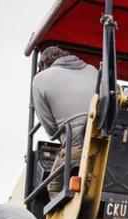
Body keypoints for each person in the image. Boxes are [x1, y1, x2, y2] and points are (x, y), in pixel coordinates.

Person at [31, 46, 98, 196]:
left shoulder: (40, 79)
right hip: (108, 148)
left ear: (43, 65)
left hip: (77, 149)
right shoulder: (93, 70)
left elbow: (51, 131)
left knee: (54, 186)